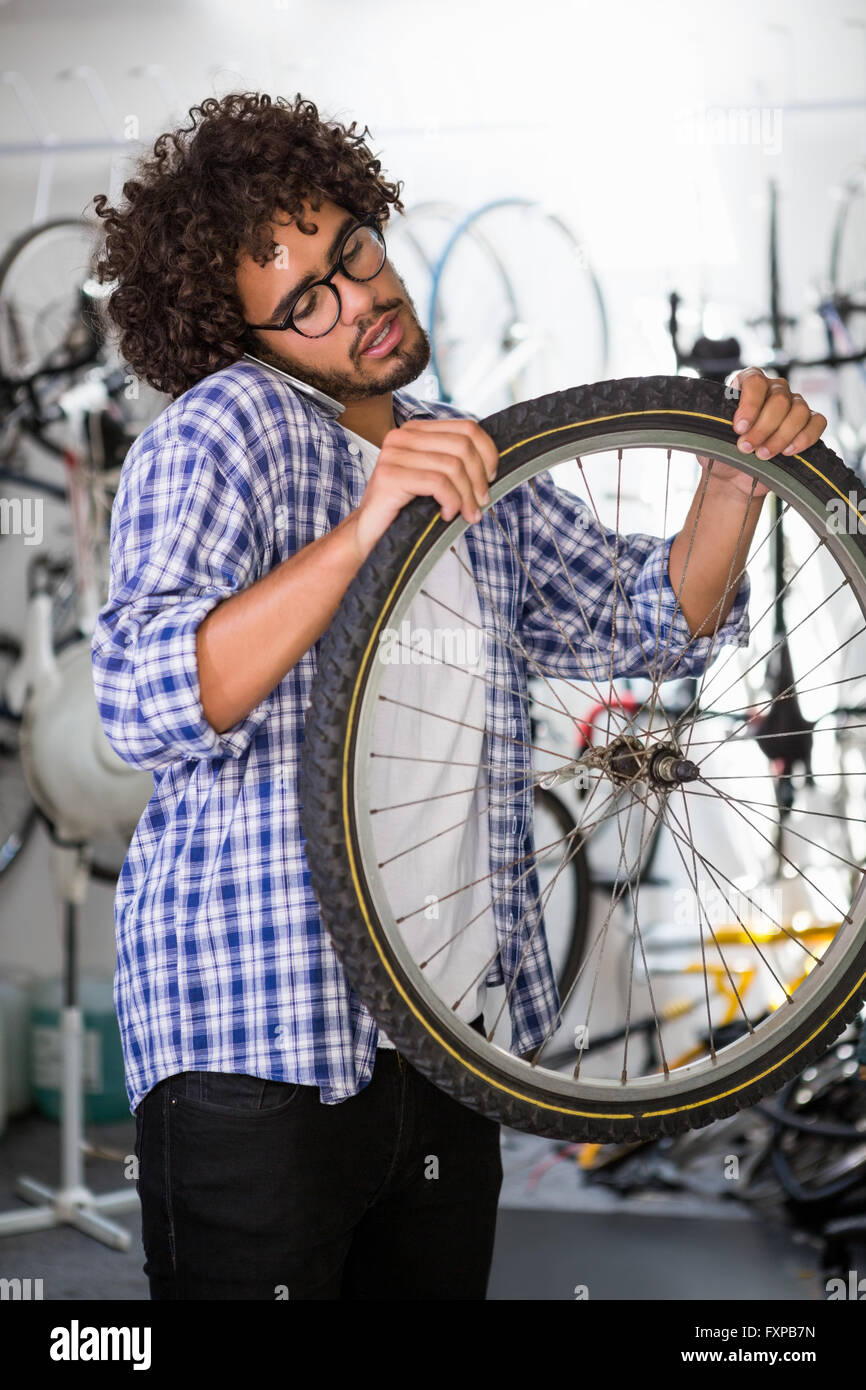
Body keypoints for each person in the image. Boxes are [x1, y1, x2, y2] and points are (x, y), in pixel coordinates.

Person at [89, 91, 827, 1301]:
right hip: (258, 1044)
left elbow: (649, 619)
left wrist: (735, 483)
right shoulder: (221, 433)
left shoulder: (461, 445)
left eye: (353, 253)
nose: (357, 300)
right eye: (303, 301)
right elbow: (142, 697)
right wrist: (369, 520)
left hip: (441, 1033)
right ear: (244, 335)